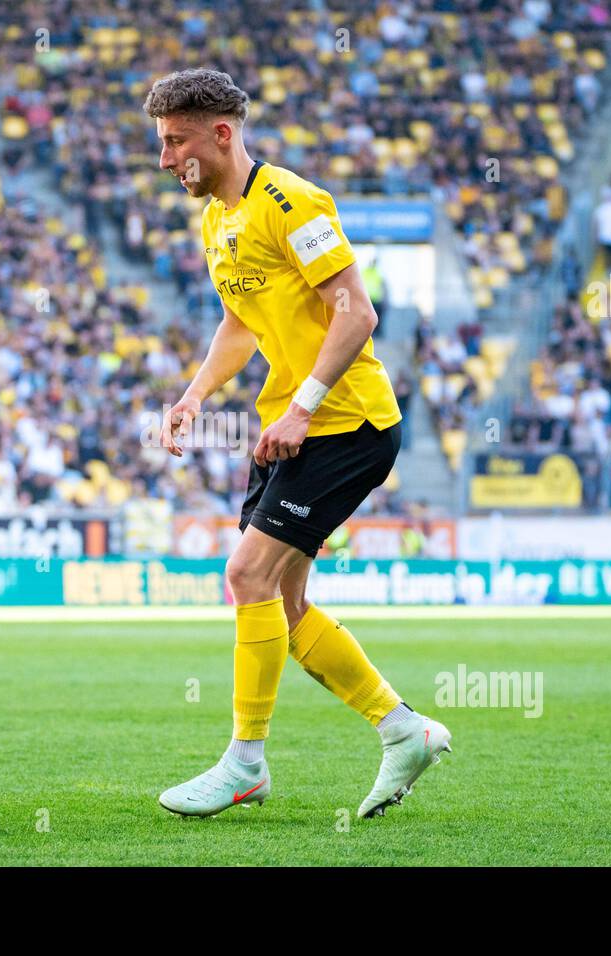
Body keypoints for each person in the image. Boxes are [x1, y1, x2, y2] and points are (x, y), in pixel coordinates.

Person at [146, 69, 450, 820]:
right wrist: (194, 395)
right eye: (160, 144)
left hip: (346, 424)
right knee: (282, 599)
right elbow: (242, 323)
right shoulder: (217, 219)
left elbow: (356, 311)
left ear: (222, 134)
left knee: (246, 574)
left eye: (176, 141)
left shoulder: (293, 202)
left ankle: (245, 763)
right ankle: (403, 730)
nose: (165, 160)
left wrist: (303, 408)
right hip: (293, 429)